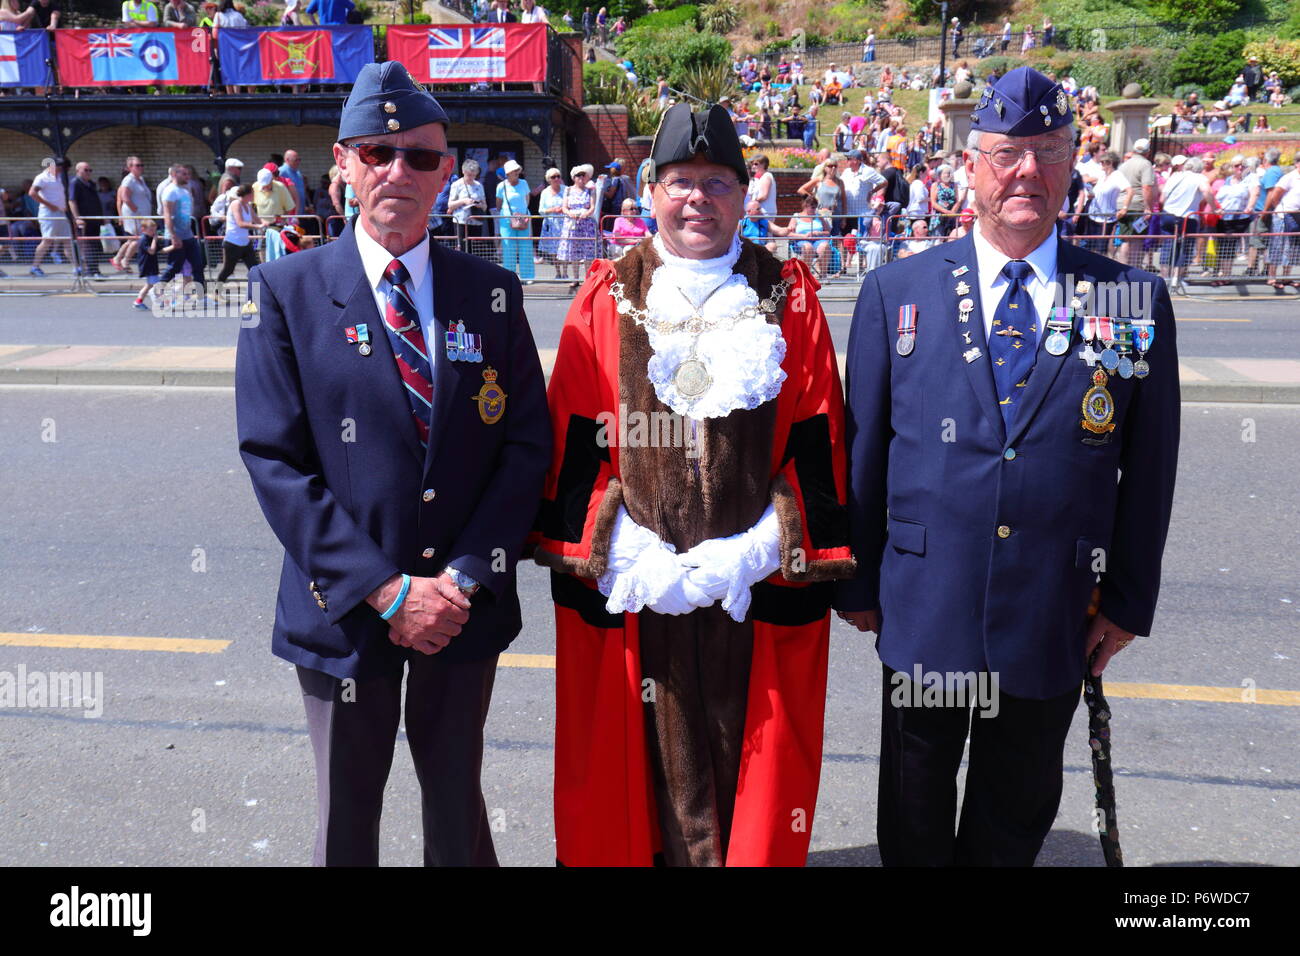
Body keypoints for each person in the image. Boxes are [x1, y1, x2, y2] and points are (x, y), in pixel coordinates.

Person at [836, 66, 1181, 867]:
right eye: (1006, 153)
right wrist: (856, 581)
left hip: (1053, 606)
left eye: (1050, 150)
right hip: (924, 603)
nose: (1027, 170)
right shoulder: (897, 291)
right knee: (914, 813)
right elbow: (866, 448)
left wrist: (1127, 601)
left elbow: (1150, 466)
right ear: (971, 166)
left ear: (1072, 164)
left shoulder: (1127, 299)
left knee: (1014, 811)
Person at [235, 61, 551, 867]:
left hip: (461, 605)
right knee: (346, 818)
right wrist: (384, 588)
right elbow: (275, 459)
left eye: (420, 156)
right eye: (377, 153)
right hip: (343, 608)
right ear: (342, 163)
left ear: (448, 172)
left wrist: (464, 581)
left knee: (455, 803)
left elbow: (524, 449)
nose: (398, 172)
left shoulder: (494, 292)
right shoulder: (285, 291)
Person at [532, 102, 853, 867]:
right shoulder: (605, 294)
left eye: (717, 182)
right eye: (680, 181)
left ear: (746, 196)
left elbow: (820, 440)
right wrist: (624, 550)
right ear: (652, 193)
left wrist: (754, 551)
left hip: (755, 592)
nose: (697, 198)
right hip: (636, 595)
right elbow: (572, 446)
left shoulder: (791, 295)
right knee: (627, 790)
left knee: (756, 786)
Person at [158, 164, 207, 298]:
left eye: (188, 174)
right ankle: (158, 289)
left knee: (198, 265)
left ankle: (201, 296)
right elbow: (167, 214)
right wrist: (173, 236)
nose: (188, 176)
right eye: (184, 174)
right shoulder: (170, 191)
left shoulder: (185, 190)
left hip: (188, 235)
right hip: (176, 235)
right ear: (174, 174)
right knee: (174, 267)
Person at [556, 163, 600, 288]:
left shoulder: (590, 190)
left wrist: (586, 214)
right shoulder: (568, 190)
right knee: (573, 252)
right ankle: (575, 278)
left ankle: (588, 278)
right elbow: (564, 207)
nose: (580, 177)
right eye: (578, 175)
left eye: (583, 175)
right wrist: (570, 213)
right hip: (572, 223)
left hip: (586, 224)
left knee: (587, 253)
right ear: (573, 177)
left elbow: (592, 207)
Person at [28, 157, 72, 278]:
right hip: (48, 213)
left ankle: (77, 267)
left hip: (61, 213)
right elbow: (32, 193)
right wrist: (50, 205)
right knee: (47, 240)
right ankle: (35, 267)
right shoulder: (42, 177)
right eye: (61, 168)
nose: (62, 171)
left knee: (68, 240)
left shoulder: (60, 177)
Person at [496, 158, 535, 283]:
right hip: (507, 221)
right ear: (508, 173)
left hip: (523, 218)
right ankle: (509, 276)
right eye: (514, 171)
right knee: (509, 247)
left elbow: (527, 200)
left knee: (526, 247)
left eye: (517, 170)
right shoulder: (501, 186)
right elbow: (498, 204)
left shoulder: (524, 183)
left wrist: (521, 214)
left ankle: (527, 276)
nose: (517, 172)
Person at [214, 183, 260, 283]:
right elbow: (240, 223)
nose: (254, 196)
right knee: (228, 270)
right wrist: (257, 226)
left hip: (245, 243)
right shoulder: (236, 204)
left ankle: (256, 296)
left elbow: (257, 219)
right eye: (252, 193)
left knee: (255, 269)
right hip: (233, 243)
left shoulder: (248, 206)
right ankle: (217, 292)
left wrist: (269, 223)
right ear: (248, 194)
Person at [68, 161, 106, 277]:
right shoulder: (75, 183)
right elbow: (72, 201)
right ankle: (91, 270)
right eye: (86, 170)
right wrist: (77, 218)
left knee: (95, 245)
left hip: (94, 219)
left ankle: (95, 269)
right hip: (84, 220)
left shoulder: (91, 184)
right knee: (88, 246)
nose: (89, 172)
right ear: (78, 171)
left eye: (90, 170)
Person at [448, 158, 487, 253]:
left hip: (476, 221)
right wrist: (463, 201)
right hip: (461, 222)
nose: (471, 178)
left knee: (476, 250)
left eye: (474, 175)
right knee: (462, 249)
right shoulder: (456, 185)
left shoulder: (479, 185)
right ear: (463, 171)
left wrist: (479, 205)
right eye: (469, 175)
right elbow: (450, 205)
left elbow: (485, 206)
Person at [537, 167, 567, 278]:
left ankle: (565, 273)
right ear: (548, 179)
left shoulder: (566, 189)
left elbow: (570, 205)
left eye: (558, 176)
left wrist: (563, 209)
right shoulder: (545, 192)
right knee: (554, 251)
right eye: (553, 177)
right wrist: (553, 210)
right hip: (551, 225)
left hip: (564, 224)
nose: (556, 179)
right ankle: (558, 272)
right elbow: (541, 210)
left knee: (564, 249)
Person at [132, 218, 164, 309]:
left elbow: (160, 250)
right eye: (151, 230)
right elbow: (152, 251)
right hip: (147, 266)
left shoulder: (150, 239)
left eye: (154, 230)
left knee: (149, 285)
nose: (153, 232)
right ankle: (159, 302)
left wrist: (173, 247)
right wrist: (155, 239)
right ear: (143, 229)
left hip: (152, 265)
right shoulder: (144, 240)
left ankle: (138, 301)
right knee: (156, 285)